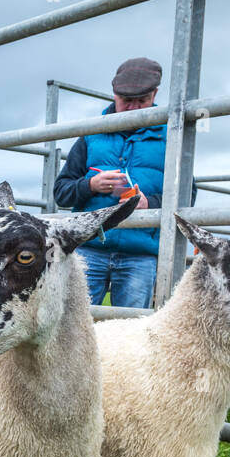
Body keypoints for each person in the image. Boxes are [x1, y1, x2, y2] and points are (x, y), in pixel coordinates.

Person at [53, 57, 169, 308]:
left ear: (155, 94)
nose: (134, 109)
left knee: (128, 331)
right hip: (89, 247)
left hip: (139, 253)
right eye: (127, 101)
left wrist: (151, 203)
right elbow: (61, 193)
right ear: (114, 94)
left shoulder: (172, 136)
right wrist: (90, 185)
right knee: (72, 326)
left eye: (143, 100)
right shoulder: (91, 134)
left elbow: (186, 196)